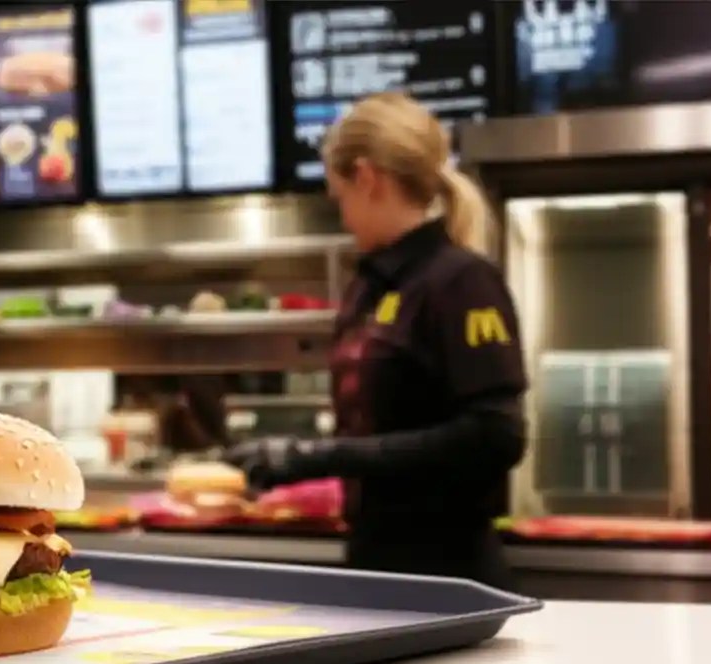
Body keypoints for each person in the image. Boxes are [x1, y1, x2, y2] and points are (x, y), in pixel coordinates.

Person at [225, 92, 527, 590]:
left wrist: (316, 456)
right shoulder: (368, 287)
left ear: (367, 178)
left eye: (340, 197)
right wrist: (298, 464)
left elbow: (496, 436)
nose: (343, 217)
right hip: (373, 559)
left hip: (447, 570)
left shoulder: (461, 281)